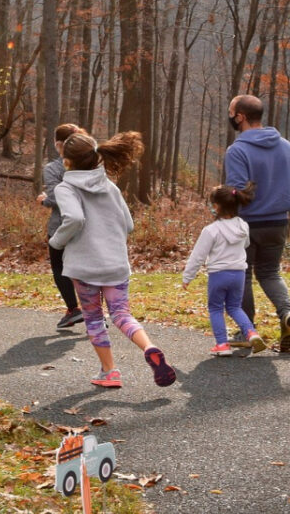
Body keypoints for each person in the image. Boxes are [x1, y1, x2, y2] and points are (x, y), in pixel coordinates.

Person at [49, 131, 179, 389]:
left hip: (85, 268)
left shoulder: (66, 188)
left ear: (66, 160)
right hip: (116, 265)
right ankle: (149, 346)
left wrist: (56, 242)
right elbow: (128, 224)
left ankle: (110, 372)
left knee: (94, 318)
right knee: (121, 314)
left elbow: (74, 219)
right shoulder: (110, 186)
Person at [223, 94, 290, 351]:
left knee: (242, 276)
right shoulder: (286, 146)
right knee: (269, 273)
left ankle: (247, 330)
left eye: (231, 111)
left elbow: (237, 191)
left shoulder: (238, 150)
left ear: (241, 117)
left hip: (247, 223)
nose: (230, 116)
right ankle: (287, 314)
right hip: (279, 223)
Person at [181, 185, 265, 356]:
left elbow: (198, 256)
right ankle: (251, 332)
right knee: (235, 307)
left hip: (219, 275)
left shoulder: (211, 230)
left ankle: (222, 345)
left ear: (217, 206)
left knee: (216, 308)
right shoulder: (243, 226)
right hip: (239, 274)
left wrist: (187, 277)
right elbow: (246, 244)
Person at [38, 123, 86, 331]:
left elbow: (58, 197)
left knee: (60, 267)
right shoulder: (89, 165)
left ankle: (73, 309)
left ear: (58, 144)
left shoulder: (53, 168)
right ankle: (94, 312)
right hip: (88, 224)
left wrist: (44, 200)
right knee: (86, 270)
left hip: (61, 225)